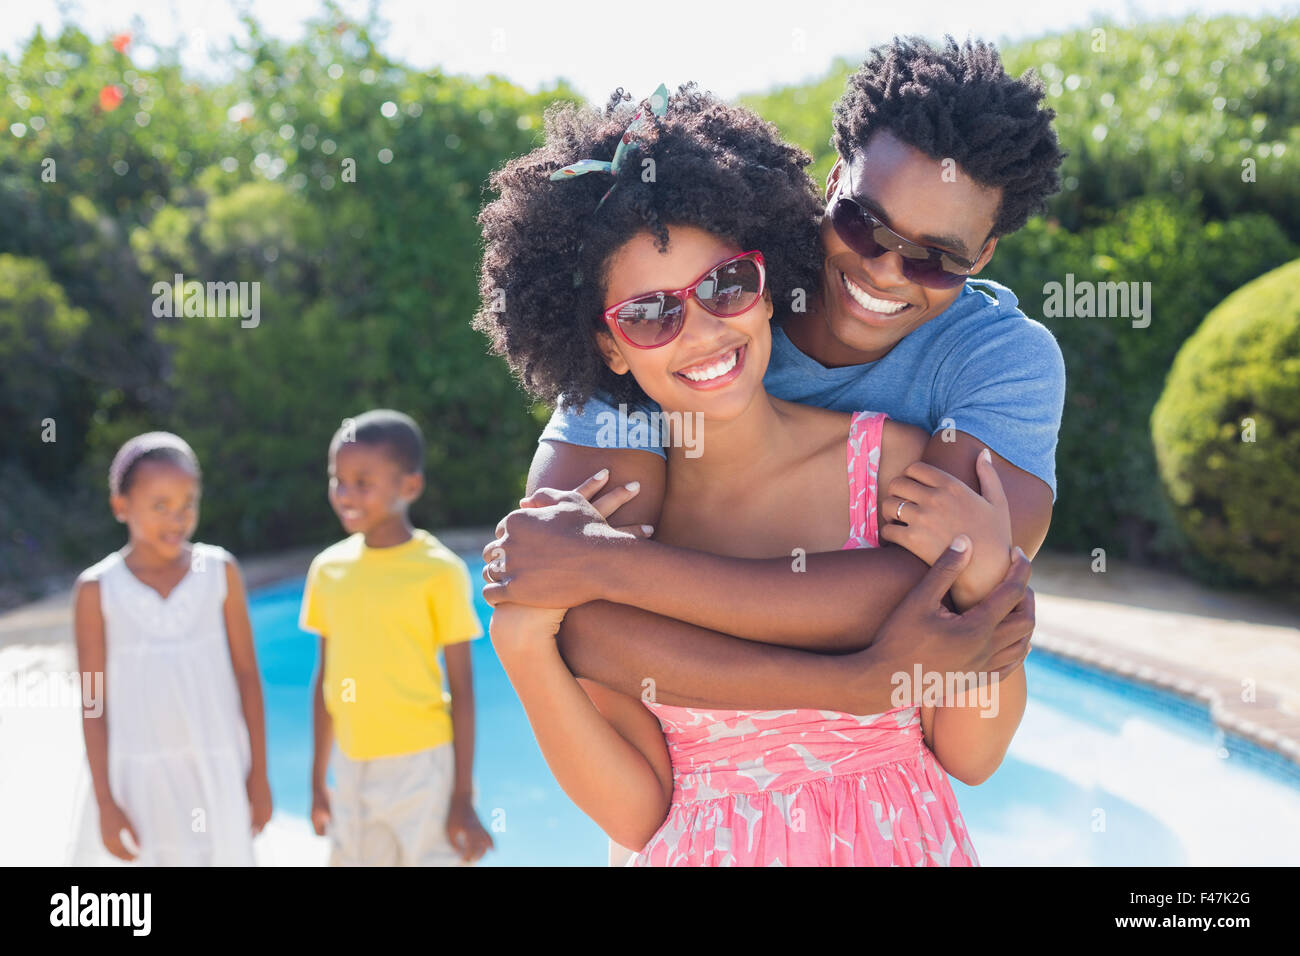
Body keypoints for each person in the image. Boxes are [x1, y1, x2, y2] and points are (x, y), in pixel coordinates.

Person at [477, 83, 1030, 864]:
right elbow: (635, 815)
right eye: (648, 314)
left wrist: (986, 573)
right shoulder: (609, 524)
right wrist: (524, 649)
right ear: (608, 349)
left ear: (767, 286)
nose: (702, 331)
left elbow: (973, 755)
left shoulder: (893, 470)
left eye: (726, 285)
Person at [299, 409, 493, 866]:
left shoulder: (439, 570)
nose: (345, 494)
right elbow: (325, 678)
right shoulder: (327, 570)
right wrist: (316, 782)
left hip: (423, 767)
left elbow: (462, 689)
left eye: (362, 482)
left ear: (409, 486)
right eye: (338, 480)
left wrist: (462, 794)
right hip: (351, 769)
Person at [70, 431, 270, 866]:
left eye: (187, 504)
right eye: (160, 506)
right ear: (121, 506)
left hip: (217, 771)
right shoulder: (97, 590)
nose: (177, 519)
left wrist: (260, 776)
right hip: (139, 784)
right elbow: (91, 702)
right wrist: (105, 801)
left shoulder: (219, 572)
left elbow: (248, 678)